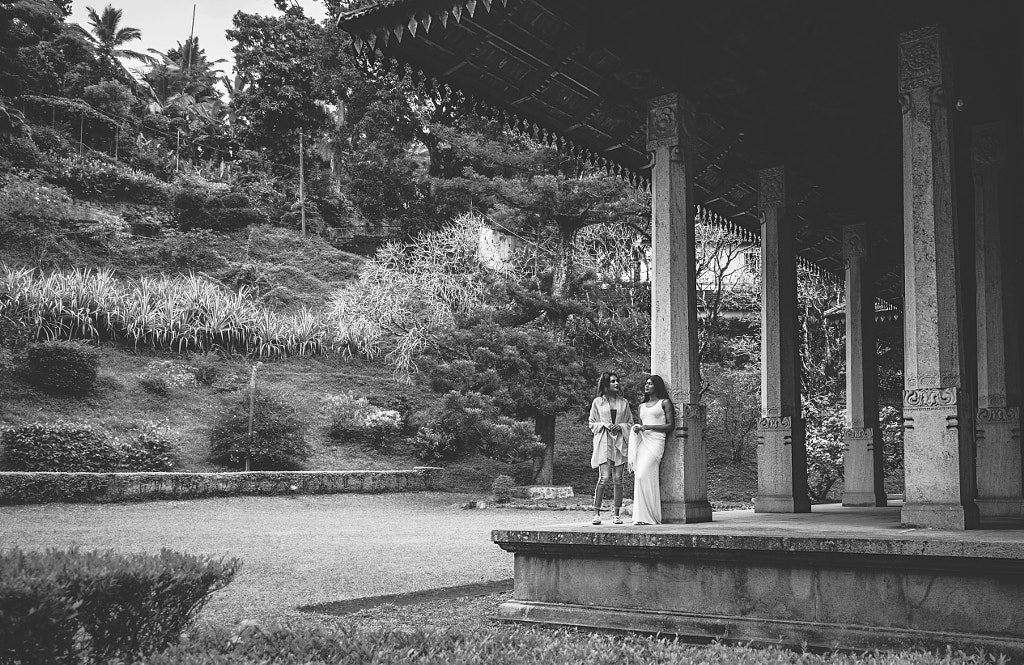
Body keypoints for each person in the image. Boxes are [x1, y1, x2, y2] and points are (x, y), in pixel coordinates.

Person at [588, 372, 633, 525]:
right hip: (604, 442)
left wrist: (620, 427)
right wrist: (604, 424)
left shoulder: (624, 402)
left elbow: (630, 423)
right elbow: (592, 423)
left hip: (619, 442)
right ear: (606, 384)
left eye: (617, 381)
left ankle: (616, 514)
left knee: (618, 479)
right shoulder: (597, 402)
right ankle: (596, 513)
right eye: (613, 381)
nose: (616, 383)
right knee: (604, 478)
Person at [629, 374, 674, 525]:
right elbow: (643, 424)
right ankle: (640, 517)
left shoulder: (664, 403)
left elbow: (670, 426)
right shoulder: (641, 406)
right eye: (646, 384)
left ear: (657, 386)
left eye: (650, 384)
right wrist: (637, 429)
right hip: (643, 441)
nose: (646, 386)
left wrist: (650, 427)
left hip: (656, 442)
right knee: (639, 476)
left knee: (644, 475)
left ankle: (651, 516)